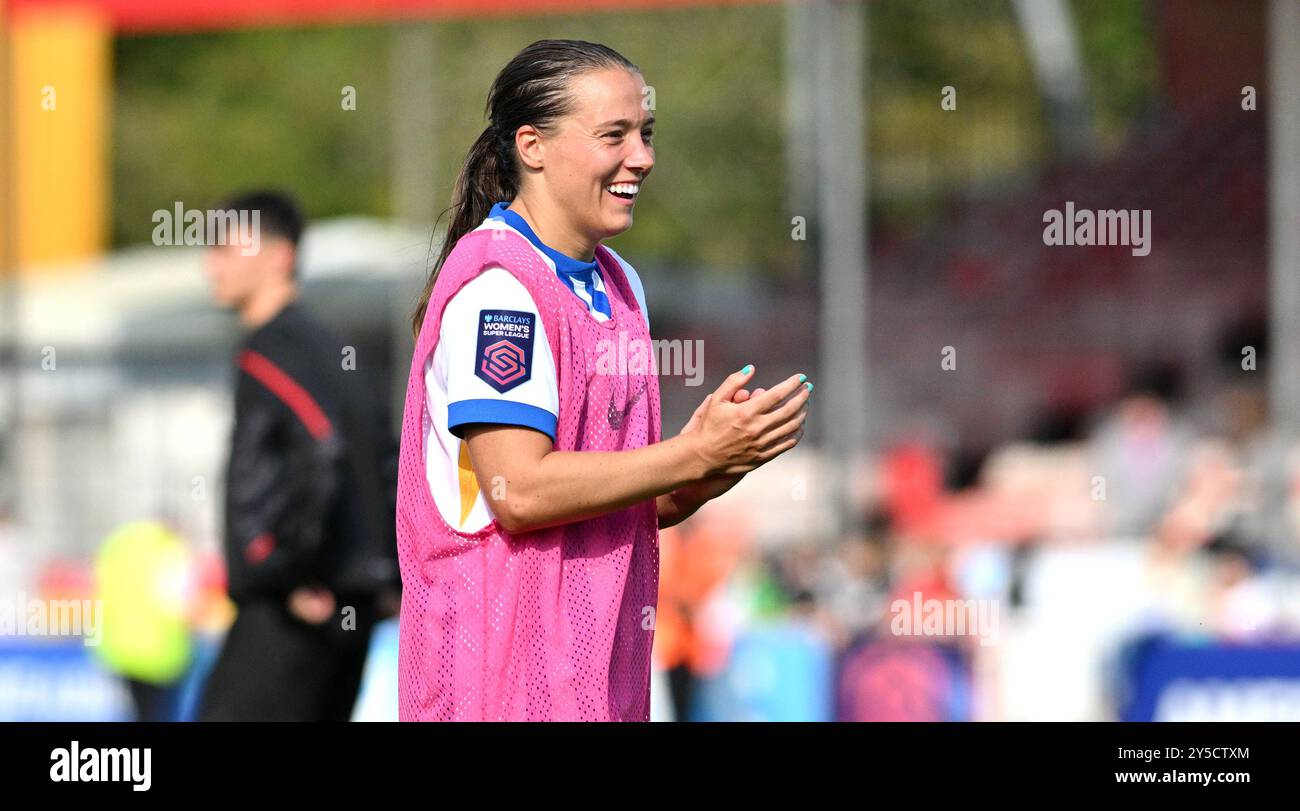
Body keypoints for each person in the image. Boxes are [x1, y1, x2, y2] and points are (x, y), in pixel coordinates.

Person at [397, 40, 812, 721]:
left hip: (596, 681)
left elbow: (612, 504)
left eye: (645, 134)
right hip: (496, 688)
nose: (642, 157)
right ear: (532, 146)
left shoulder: (622, 287)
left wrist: (711, 468)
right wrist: (691, 453)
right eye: (614, 135)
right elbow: (521, 492)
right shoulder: (500, 290)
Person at [197, 190, 400, 721]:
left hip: (294, 606)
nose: (209, 263)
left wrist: (285, 571)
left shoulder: (269, 351)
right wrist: (386, 574)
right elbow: (387, 459)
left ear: (280, 256)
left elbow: (320, 451)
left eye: (224, 247)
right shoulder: (336, 350)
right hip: (355, 606)